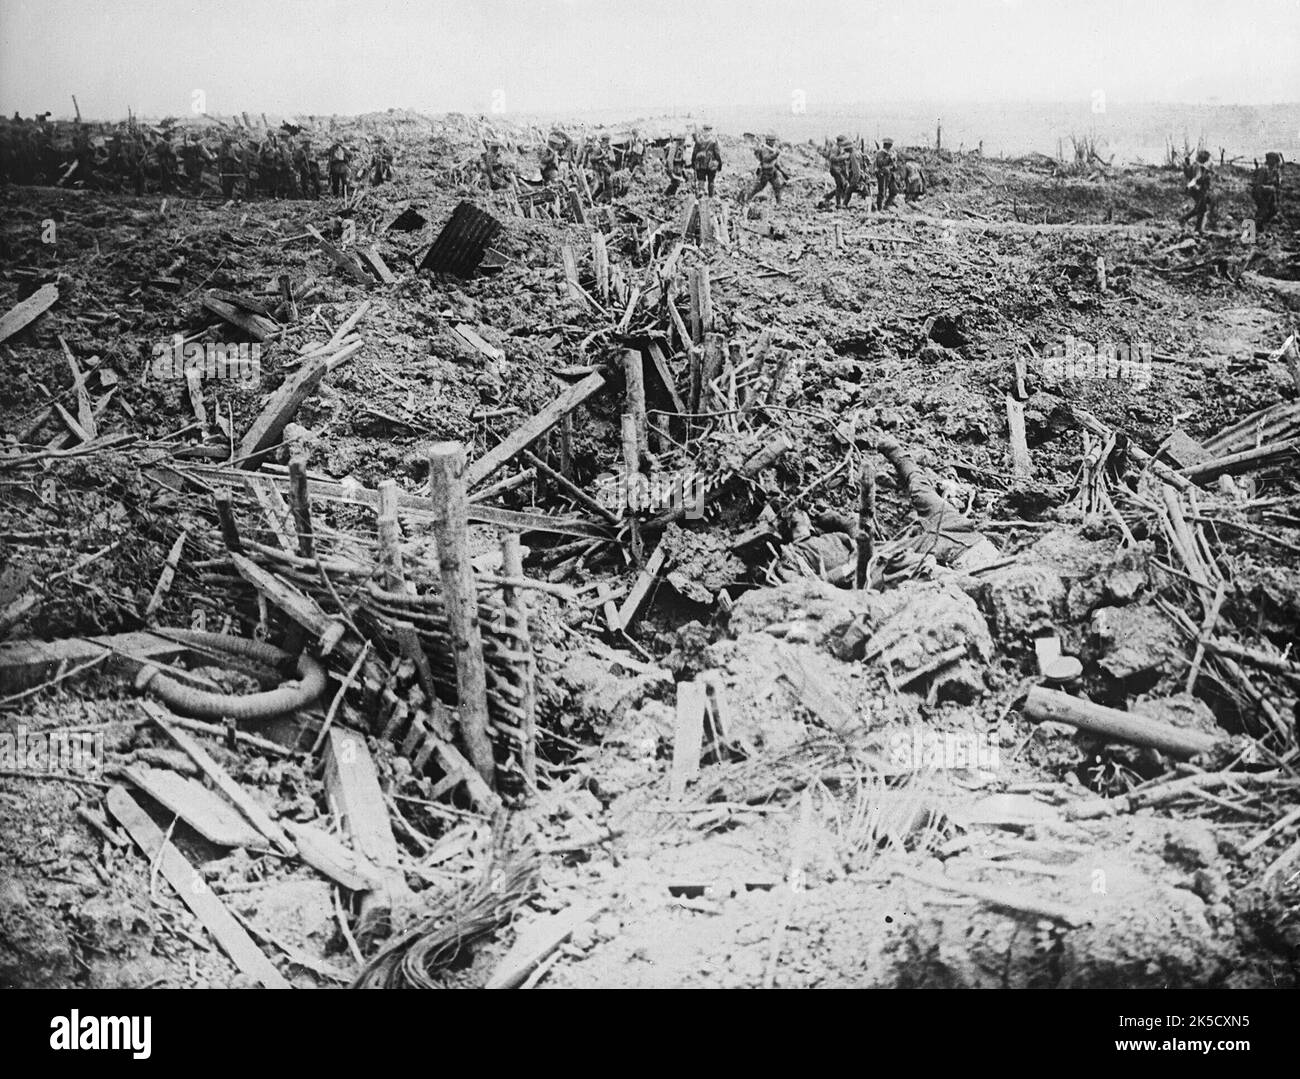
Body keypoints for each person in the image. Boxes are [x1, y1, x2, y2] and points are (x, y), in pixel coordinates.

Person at [1180, 149, 1214, 232]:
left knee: (1201, 209)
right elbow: (1197, 178)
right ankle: (1184, 220)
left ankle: (1196, 228)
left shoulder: (1198, 166)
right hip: (1198, 190)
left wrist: (1186, 162)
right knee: (1200, 209)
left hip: (1198, 189)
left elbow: (1188, 172)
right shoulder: (1198, 167)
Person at [747, 133, 785, 205]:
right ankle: (748, 198)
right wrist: (776, 154)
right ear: (768, 141)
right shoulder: (764, 149)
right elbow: (766, 159)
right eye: (772, 141)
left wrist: (782, 171)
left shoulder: (772, 149)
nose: (773, 142)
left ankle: (779, 203)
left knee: (777, 187)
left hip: (772, 171)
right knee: (759, 187)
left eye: (774, 140)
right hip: (765, 172)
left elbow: (774, 163)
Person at [1251, 151, 1282, 231]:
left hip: (1269, 194)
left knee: (1274, 210)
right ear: (1269, 160)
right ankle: (1255, 229)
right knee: (1262, 210)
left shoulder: (1274, 171)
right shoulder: (1264, 170)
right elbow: (1258, 185)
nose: (1275, 162)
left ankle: (1261, 225)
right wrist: (1269, 188)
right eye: (1274, 160)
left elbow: (1277, 184)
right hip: (1260, 193)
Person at [691, 124, 722, 196]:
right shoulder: (714, 140)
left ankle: (701, 191)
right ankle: (711, 196)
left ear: (703, 129)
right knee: (711, 180)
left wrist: (693, 162)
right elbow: (717, 153)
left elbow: (694, 152)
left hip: (700, 163)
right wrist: (720, 164)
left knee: (701, 178)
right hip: (711, 163)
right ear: (710, 129)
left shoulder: (699, 139)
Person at [827, 135, 852, 208]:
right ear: (840, 142)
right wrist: (843, 157)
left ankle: (829, 197)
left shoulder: (839, 148)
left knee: (842, 185)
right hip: (835, 169)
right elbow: (832, 158)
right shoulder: (835, 148)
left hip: (839, 169)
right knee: (839, 186)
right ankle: (838, 204)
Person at [589, 133, 615, 202]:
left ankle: (608, 200)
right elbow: (592, 159)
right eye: (606, 141)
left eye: (607, 141)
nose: (607, 142)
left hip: (606, 170)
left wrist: (609, 156)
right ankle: (592, 198)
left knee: (609, 185)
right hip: (598, 170)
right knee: (601, 185)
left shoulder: (609, 148)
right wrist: (601, 157)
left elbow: (613, 159)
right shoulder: (597, 149)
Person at [874, 137, 898, 210]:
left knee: (894, 190)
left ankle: (887, 205)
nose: (890, 146)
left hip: (890, 174)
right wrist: (889, 157)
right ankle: (879, 208)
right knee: (882, 192)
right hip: (883, 174)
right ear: (886, 145)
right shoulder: (880, 153)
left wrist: (893, 160)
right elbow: (880, 163)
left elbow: (894, 166)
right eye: (889, 145)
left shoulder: (891, 153)